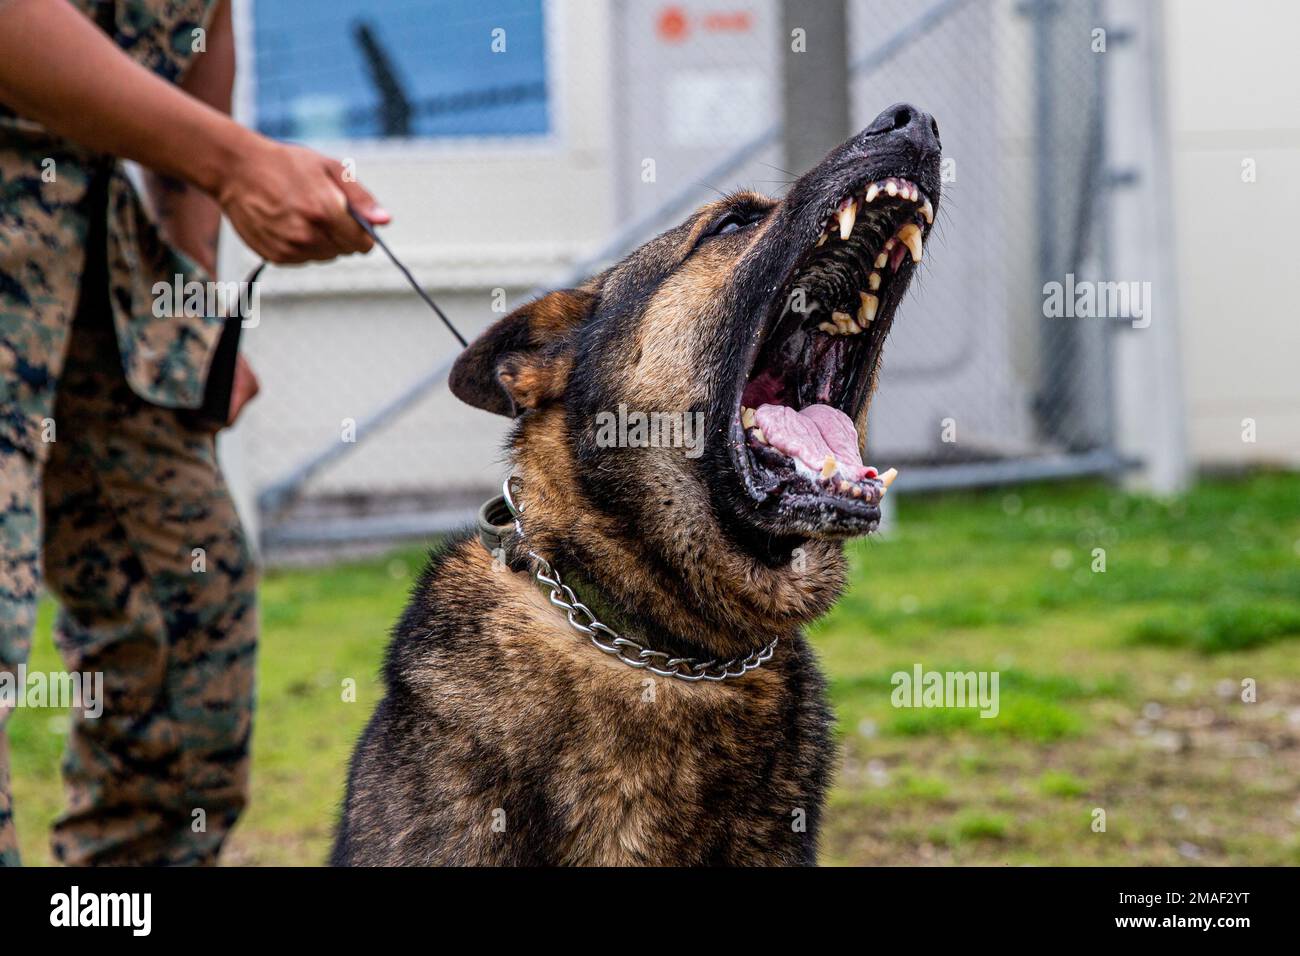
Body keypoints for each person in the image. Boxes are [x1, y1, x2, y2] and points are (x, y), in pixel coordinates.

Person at [0, 0, 389, 865]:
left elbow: (200, 32)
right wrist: (237, 163)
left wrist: (191, 307)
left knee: (185, 624)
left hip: (101, 275)